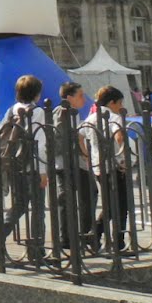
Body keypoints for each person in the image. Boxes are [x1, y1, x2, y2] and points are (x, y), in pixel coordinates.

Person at [0, 75, 49, 262]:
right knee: (38, 208)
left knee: (20, 205)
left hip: (14, 165)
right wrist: (43, 171)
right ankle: (36, 249)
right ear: (37, 93)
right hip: (32, 166)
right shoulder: (37, 112)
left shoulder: (11, 110)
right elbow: (40, 143)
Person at [84, 86, 132, 254]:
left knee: (109, 203)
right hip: (114, 165)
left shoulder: (90, 118)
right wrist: (124, 156)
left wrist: (87, 155)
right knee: (121, 204)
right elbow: (119, 136)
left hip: (98, 165)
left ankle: (95, 233)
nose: (121, 106)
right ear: (112, 102)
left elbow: (80, 136)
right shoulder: (114, 117)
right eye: (119, 102)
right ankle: (117, 241)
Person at [51, 82, 94, 254]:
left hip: (72, 161)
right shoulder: (63, 112)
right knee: (73, 196)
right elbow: (67, 138)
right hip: (67, 162)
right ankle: (72, 236)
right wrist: (82, 151)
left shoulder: (71, 113)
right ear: (69, 97)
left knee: (83, 194)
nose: (83, 99)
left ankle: (78, 234)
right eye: (80, 95)